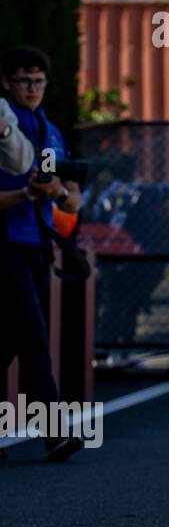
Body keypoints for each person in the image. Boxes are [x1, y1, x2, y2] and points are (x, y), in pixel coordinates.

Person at [0, 46, 84, 462]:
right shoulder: (6, 130)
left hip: (38, 245)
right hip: (6, 246)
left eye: (38, 81)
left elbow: (72, 201)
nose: (32, 88)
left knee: (11, 341)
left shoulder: (51, 132)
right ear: (6, 84)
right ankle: (55, 432)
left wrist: (55, 191)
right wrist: (25, 193)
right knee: (35, 338)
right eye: (24, 81)